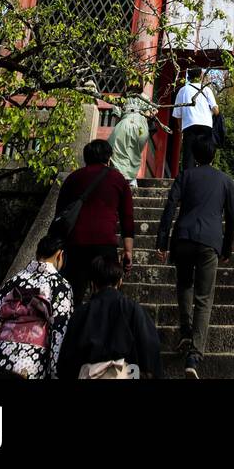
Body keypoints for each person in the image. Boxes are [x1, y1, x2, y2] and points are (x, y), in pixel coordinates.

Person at [155, 129, 234, 378]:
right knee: (204, 297)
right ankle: (194, 354)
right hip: (209, 242)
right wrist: (227, 247)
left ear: (194, 154)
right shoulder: (225, 181)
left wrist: (162, 242)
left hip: (183, 237)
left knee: (184, 284)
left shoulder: (185, 176)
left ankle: (185, 329)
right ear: (213, 155)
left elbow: (170, 207)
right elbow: (233, 218)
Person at [0, 231, 74, 380]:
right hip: (33, 360)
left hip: (0, 354)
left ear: (37, 253)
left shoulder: (15, 280)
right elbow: (60, 328)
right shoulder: (60, 286)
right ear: (60, 255)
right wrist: (55, 370)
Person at [54, 139, 135, 303]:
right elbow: (127, 217)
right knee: (106, 295)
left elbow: (60, 213)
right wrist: (128, 251)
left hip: (76, 243)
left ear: (86, 158)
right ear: (109, 158)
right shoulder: (118, 179)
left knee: (72, 296)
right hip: (105, 243)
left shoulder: (73, 178)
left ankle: (72, 325)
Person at [57, 254, 163, 379]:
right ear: (120, 281)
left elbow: (66, 360)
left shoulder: (80, 313)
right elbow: (150, 346)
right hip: (124, 373)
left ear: (93, 284)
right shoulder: (132, 308)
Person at [172, 68, 219, 171]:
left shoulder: (182, 91)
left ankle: (188, 179)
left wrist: (181, 128)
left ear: (189, 76)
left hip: (189, 125)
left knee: (189, 154)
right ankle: (205, 177)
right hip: (206, 124)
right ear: (201, 75)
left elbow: (177, 115)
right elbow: (216, 110)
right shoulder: (206, 89)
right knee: (205, 153)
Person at [109, 96, 152, 186]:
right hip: (141, 128)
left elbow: (117, 118)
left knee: (116, 152)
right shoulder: (146, 98)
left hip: (124, 125)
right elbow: (149, 115)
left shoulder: (121, 98)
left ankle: (121, 178)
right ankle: (131, 179)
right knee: (134, 154)